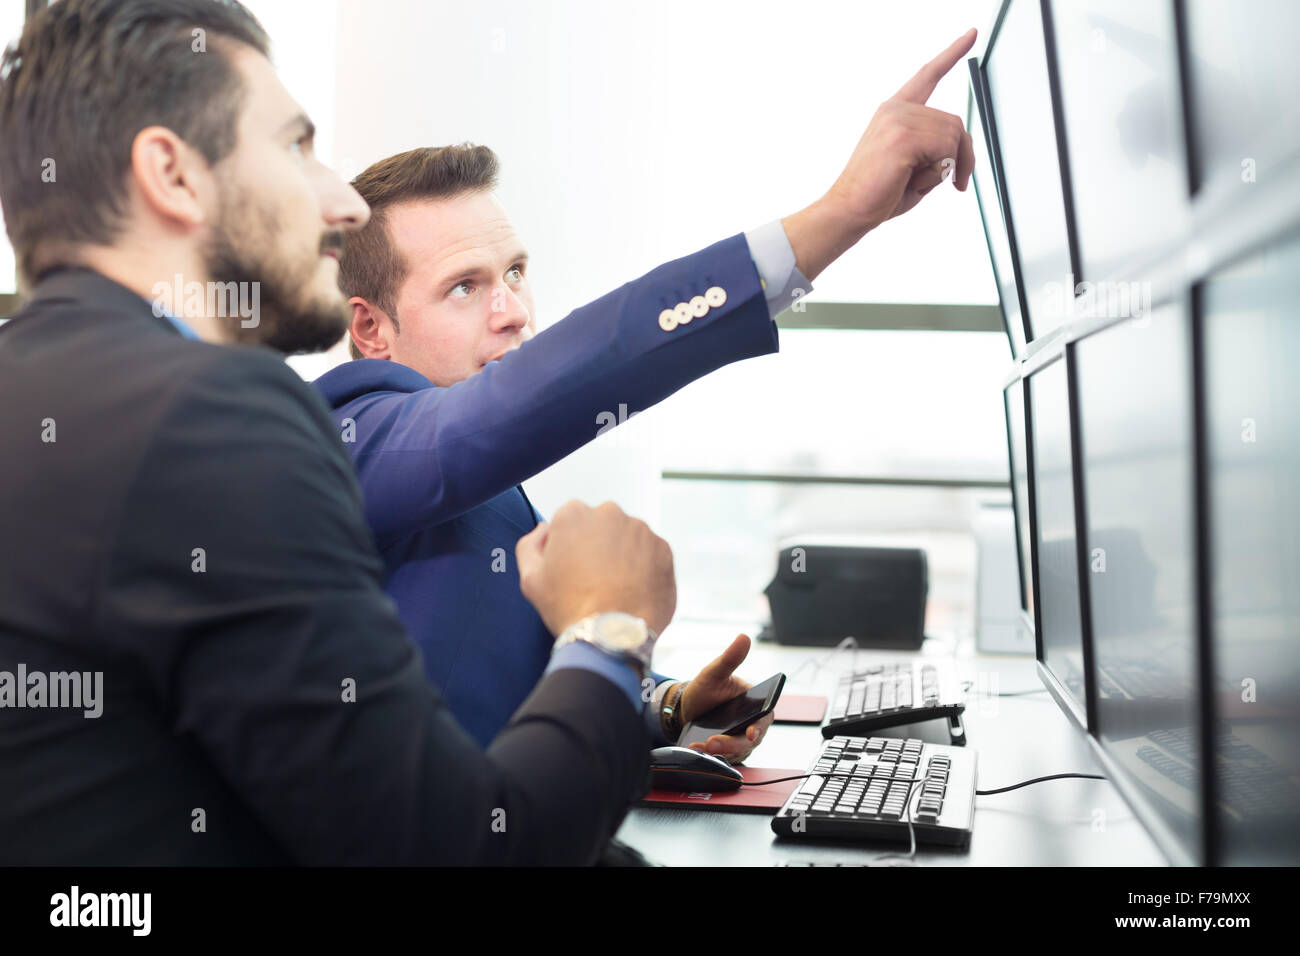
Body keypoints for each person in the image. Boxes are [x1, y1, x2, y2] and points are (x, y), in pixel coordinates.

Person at [0, 0, 676, 865]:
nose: (342, 201)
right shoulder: (214, 416)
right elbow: (459, 852)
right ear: (171, 173)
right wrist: (609, 628)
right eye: (294, 147)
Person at [315, 25, 978, 753]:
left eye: (513, 273)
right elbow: (543, 390)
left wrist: (669, 709)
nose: (513, 311)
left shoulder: (492, 482)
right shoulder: (349, 443)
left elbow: (521, 687)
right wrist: (841, 212)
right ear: (371, 330)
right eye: (464, 288)